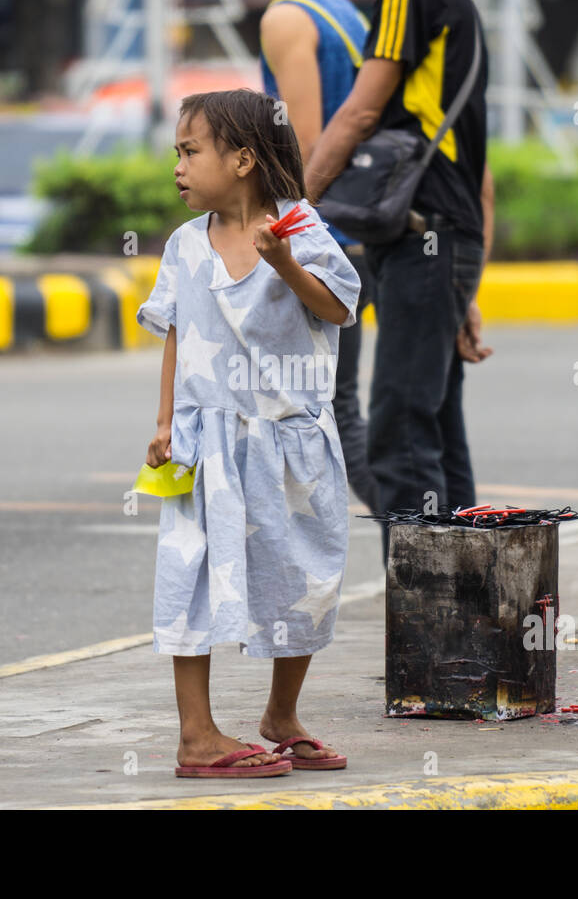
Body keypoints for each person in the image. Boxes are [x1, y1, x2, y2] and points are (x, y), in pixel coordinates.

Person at [137, 89, 362, 776]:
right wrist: (165, 418)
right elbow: (176, 328)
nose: (177, 165)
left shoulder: (300, 227)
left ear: (241, 160)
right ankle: (196, 733)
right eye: (177, 152)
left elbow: (339, 308)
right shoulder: (184, 244)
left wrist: (285, 263)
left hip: (290, 440)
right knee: (191, 572)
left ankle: (281, 714)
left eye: (189, 151)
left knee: (303, 576)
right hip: (206, 442)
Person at [303, 0, 495, 564]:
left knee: (400, 433)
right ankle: (470, 619)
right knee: (437, 426)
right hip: (445, 238)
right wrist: (464, 284)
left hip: (426, 238)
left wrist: (292, 210)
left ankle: (429, 631)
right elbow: (480, 171)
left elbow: (359, 112)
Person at [226, 0, 378, 512]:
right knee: (351, 414)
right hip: (361, 234)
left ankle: (426, 561)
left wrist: (273, 242)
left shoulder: (286, 16)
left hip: (322, 248)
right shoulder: (341, 8)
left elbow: (305, 147)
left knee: (338, 416)